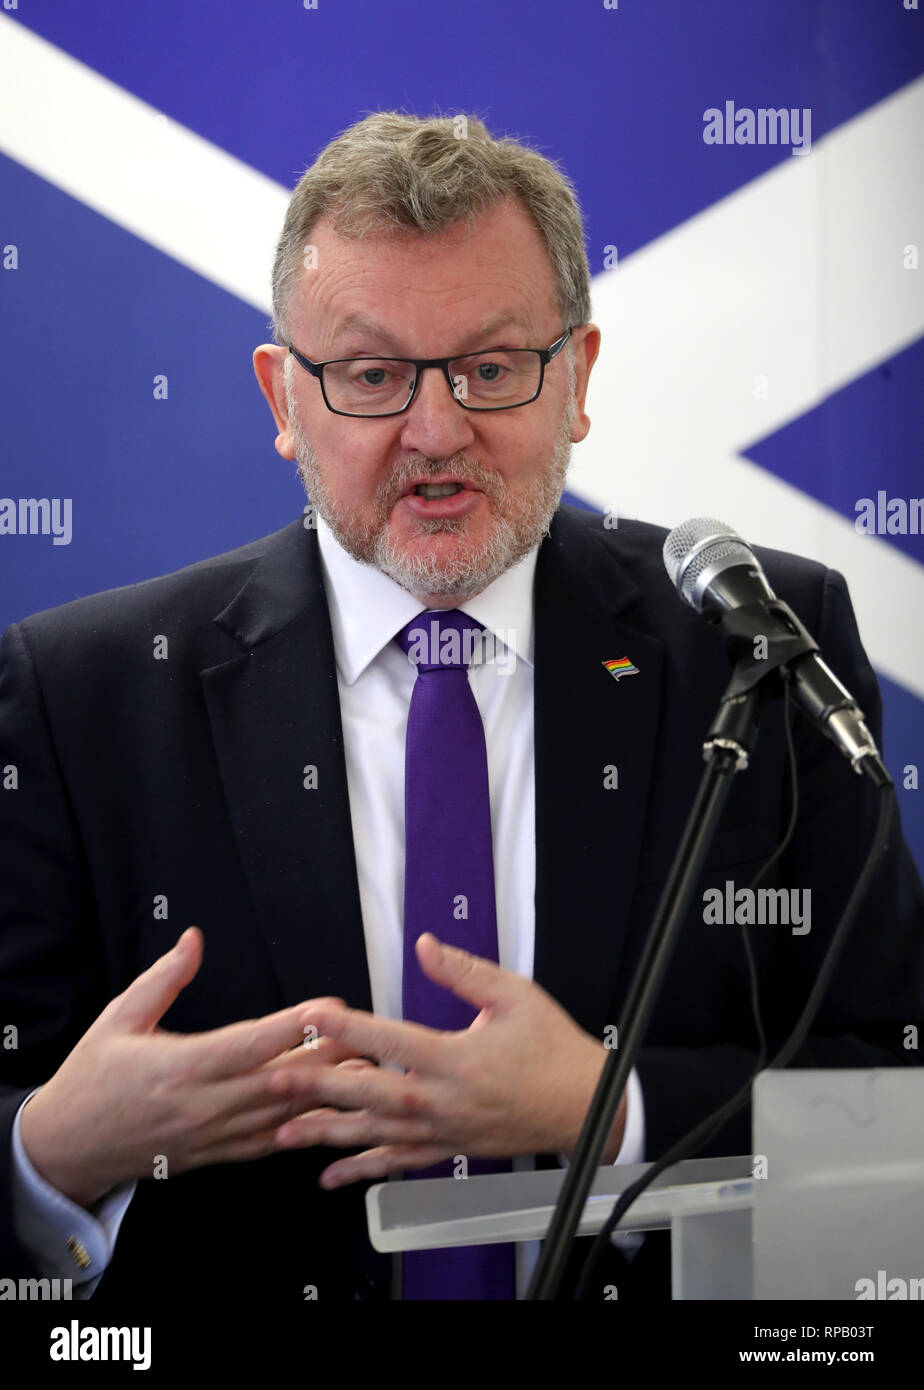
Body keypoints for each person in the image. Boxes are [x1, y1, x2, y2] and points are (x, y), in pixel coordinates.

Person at [1, 112, 922, 1305]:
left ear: (578, 378)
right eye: (374, 375)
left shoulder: (756, 645)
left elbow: (894, 1106)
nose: (437, 434)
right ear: (285, 395)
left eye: (491, 368)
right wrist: (51, 1151)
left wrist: (610, 1106)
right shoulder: (86, 696)